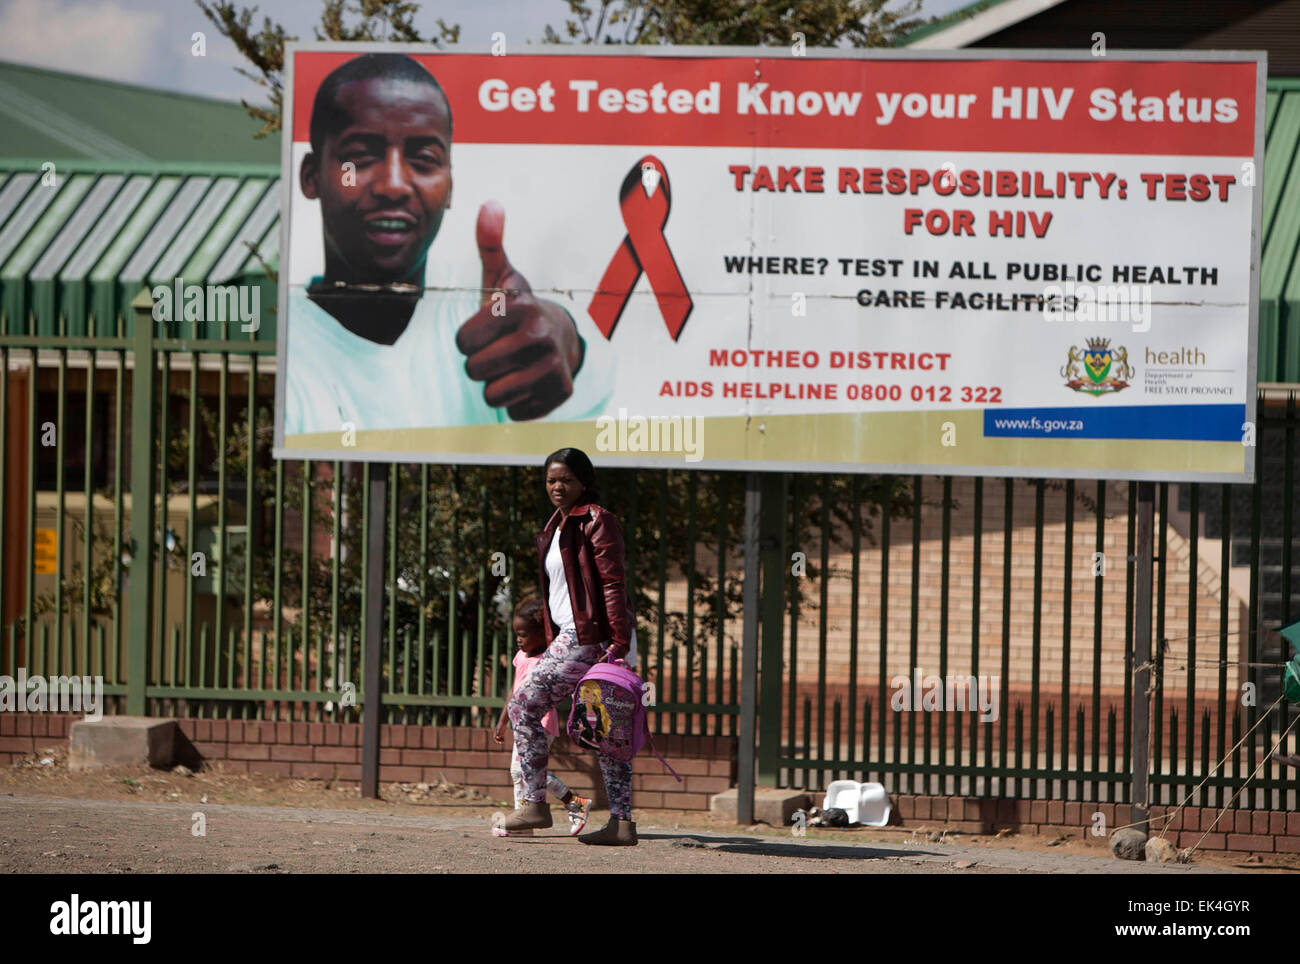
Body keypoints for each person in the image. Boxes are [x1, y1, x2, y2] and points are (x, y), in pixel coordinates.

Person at [285, 52, 613, 435]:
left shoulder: (487, 319)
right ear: (311, 177)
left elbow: (590, 392)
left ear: (450, 187)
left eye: (424, 159)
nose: (394, 184)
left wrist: (568, 342)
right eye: (358, 157)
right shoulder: (284, 346)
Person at [502, 448, 639, 845]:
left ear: (583, 481)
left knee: (523, 706)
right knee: (607, 730)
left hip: (591, 637)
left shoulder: (597, 520)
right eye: (551, 480)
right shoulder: (556, 526)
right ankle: (622, 824)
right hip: (577, 635)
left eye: (565, 480)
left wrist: (617, 643)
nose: (557, 487)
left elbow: (612, 583)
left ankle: (534, 803)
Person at [493, 596, 592, 836]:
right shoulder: (521, 657)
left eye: (524, 634)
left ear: (542, 633)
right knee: (522, 773)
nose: (519, 638)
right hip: (521, 721)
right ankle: (556, 808)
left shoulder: (548, 661)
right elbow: (516, 692)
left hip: (540, 721)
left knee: (521, 771)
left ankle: (529, 820)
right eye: (517, 633)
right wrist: (503, 720)